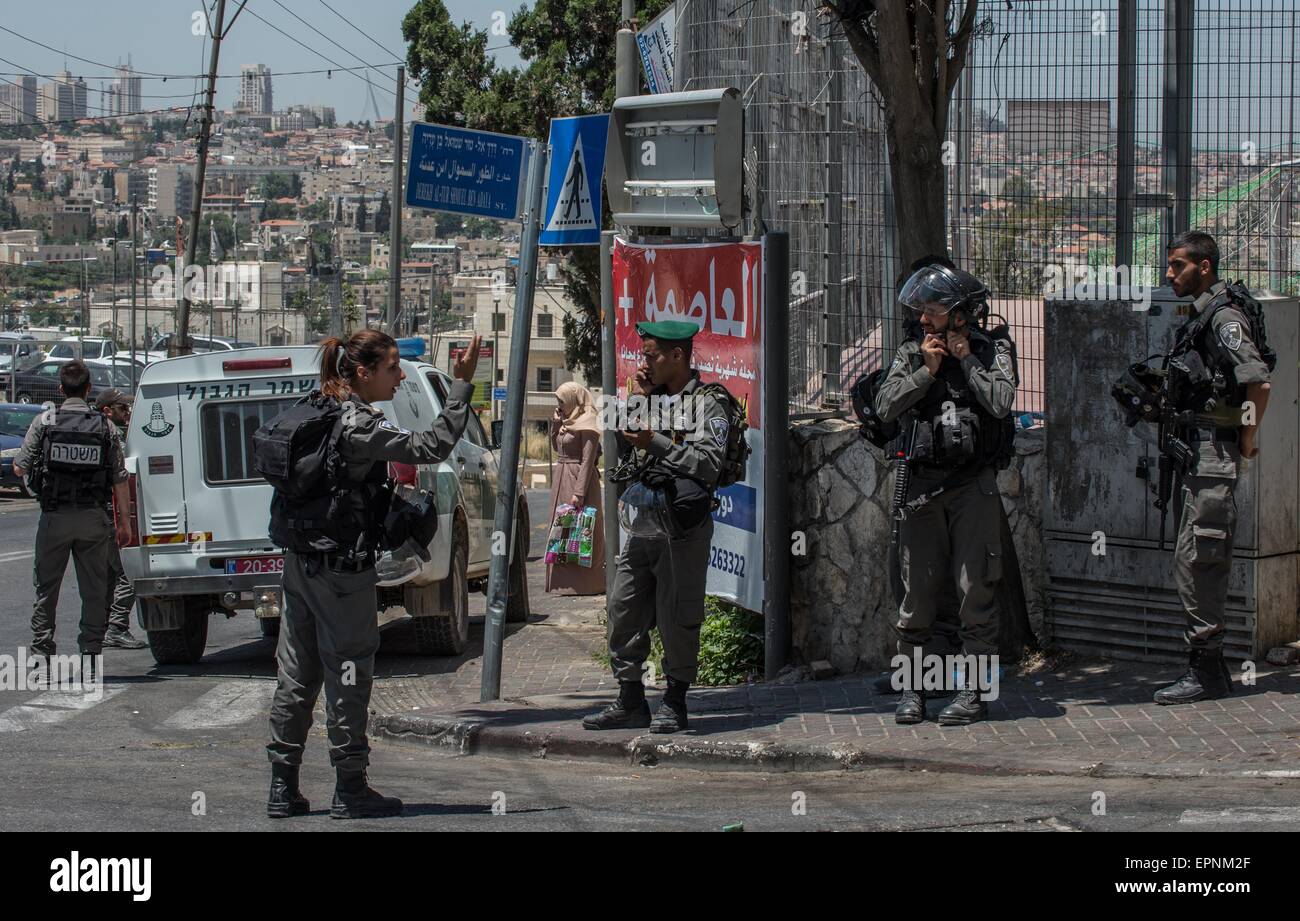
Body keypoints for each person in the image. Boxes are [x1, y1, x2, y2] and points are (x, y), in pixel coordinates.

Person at [263, 329, 481, 819]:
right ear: (362, 372)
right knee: (348, 673)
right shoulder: (357, 424)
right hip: (342, 573)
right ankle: (350, 787)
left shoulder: (314, 407)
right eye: (390, 368)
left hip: (300, 564)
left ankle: (283, 787)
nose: (399, 376)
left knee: (296, 677)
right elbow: (430, 446)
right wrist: (462, 386)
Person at [875, 265, 1018, 726]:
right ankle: (912, 690)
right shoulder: (911, 353)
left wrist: (967, 361)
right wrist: (926, 371)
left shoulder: (992, 349)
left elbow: (1000, 401)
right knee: (917, 594)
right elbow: (885, 405)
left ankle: (973, 692)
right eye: (921, 312)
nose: (923, 321)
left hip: (973, 488)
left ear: (959, 316)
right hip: (922, 487)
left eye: (933, 313)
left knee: (975, 592)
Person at [583, 320, 730, 734]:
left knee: (677, 615)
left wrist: (657, 442)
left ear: (678, 356)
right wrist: (640, 402)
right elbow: (621, 440)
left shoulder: (708, 402)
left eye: (652, 355)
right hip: (643, 524)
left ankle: (675, 701)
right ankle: (630, 700)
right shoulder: (649, 398)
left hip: (682, 526)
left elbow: (708, 463)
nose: (644, 362)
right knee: (623, 608)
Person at [1151, 231, 1271, 705]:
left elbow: (1257, 380)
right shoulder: (1202, 315)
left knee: (1202, 561)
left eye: (1177, 265)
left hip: (1214, 456)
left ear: (1204, 266)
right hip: (1197, 452)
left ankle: (1207, 672)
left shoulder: (1223, 317)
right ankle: (1206, 668)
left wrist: (1246, 437)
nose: (1168, 274)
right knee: (1190, 560)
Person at [12, 360, 132, 662]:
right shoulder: (103, 425)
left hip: (55, 517)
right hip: (93, 518)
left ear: (61, 389)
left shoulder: (45, 421)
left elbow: (18, 467)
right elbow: (120, 477)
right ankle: (91, 650)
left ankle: (43, 650)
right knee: (94, 590)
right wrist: (125, 523)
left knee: (46, 589)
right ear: (90, 389)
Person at [95, 388, 146, 650]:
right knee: (130, 572)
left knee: (108, 574)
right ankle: (116, 626)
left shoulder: (93, 434)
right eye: (122, 408)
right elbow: (122, 480)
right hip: (110, 513)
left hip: (94, 514)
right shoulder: (113, 437)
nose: (127, 413)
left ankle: (102, 628)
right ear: (107, 411)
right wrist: (126, 520)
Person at [545, 382, 604, 596]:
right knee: (562, 530)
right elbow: (555, 447)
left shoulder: (588, 423)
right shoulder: (565, 422)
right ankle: (563, 583)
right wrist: (555, 424)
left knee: (582, 531)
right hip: (561, 476)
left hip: (580, 480)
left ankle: (587, 583)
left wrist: (579, 492)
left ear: (573, 399)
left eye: (562, 401)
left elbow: (588, 460)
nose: (559, 405)